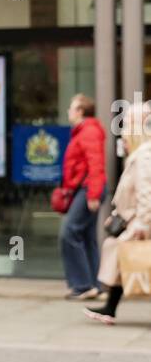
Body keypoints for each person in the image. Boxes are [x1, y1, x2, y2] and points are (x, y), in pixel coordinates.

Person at [85, 100, 151, 323]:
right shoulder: (141, 153)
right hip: (134, 218)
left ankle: (109, 307)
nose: (123, 130)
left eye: (128, 123)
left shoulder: (145, 155)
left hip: (142, 220)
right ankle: (109, 308)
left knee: (131, 258)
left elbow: (146, 192)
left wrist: (144, 222)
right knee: (122, 258)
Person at [59, 93, 107, 299]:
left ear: (80, 111)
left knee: (69, 233)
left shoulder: (88, 131)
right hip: (86, 189)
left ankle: (82, 285)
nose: (69, 111)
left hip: (89, 189)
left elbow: (95, 164)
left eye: (71, 107)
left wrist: (93, 194)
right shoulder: (83, 131)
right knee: (87, 238)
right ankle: (97, 285)